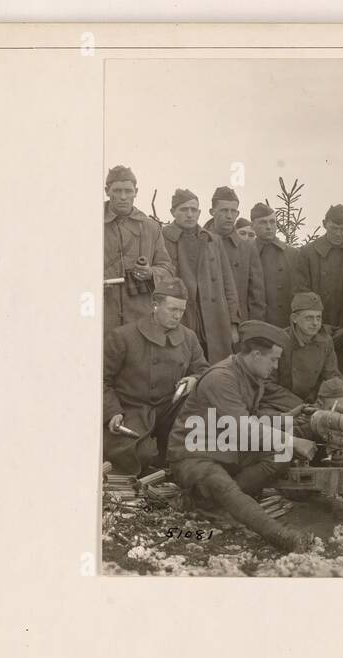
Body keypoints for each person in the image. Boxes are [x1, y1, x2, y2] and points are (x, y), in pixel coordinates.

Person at [167, 321, 316, 551]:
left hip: (226, 447)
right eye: (273, 359)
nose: (275, 366)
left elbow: (247, 419)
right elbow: (244, 427)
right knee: (223, 486)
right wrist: (293, 440)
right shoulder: (222, 377)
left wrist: (286, 419)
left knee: (281, 453)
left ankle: (210, 503)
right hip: (194, 455)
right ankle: (282, 537)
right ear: (256, 355)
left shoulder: (250, 374)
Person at [103, 278, 207, 475]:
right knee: (138, 455)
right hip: (133, 409)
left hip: (170, 408)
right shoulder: (123, 336)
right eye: (172, 309)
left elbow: (203, 370)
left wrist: (194, 379)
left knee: (194, 441)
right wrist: (112, 412)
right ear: (155, 306)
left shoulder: (189, 337)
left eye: (182, 311)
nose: (178, 316)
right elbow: (101, 380)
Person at [161, 188, 240, 362]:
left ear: (199, 212)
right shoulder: (163, 238)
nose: (189, 214)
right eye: (183, 209)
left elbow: (228, 284)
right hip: (183, 315)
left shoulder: (213, 240)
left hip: (214, 316)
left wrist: (233, 324)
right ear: (173, 212)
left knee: (217, 366)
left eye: (193, 209)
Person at [293, 204, 343, 390]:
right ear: (324, 224)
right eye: (334, 228)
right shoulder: (307, 253)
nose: (338, 233)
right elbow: (300, 291)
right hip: (314, 329)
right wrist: (319, 325)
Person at [103, 165, 175, 330]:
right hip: (102, 315)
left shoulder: (151, 227)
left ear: (136, 191)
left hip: (139, 317)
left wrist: (150, 273)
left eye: (128, 191)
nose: (123, 197)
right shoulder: (90, 224)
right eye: (117, 190)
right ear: (107, 191)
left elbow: (167, 268)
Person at [208, 186, 265, 321]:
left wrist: (253, 328)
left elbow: (257, 295)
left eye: (233, 211)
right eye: (224, 210)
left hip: (238, 322)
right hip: (207, 322)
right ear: (212, 212)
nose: (229, 216)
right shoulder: (201, 242)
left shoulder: (247, 248)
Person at [276, 291, 341, 402]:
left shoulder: (326, 341)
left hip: (313, 401)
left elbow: (332, 376)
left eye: (318, 318)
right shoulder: (280, 340)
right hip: (282, 401)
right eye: (309, 318)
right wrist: (297, 404)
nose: (315, 323)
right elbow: (268, 384)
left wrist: (340, 394)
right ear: (294, 318)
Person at [252, 202, 293, 327]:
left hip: (286, 324)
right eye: (263, 222)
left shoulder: (292, 253)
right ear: (252, 225)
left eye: (272, 222)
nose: (269, 226)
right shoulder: (246, 252)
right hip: (256, 323)